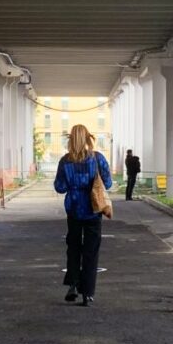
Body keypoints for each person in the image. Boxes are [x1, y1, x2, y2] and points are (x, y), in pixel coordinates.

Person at [53, 123, 112, 306]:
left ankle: (73, 284)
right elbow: (108, 183)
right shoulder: (97, 159)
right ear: (88, 138)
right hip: (94, 211)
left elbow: (60, 187)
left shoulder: (65, 161)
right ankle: (87, 293)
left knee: (73, 248)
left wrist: (73, 185)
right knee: (90, 251)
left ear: (70, 139)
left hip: (74, 210)